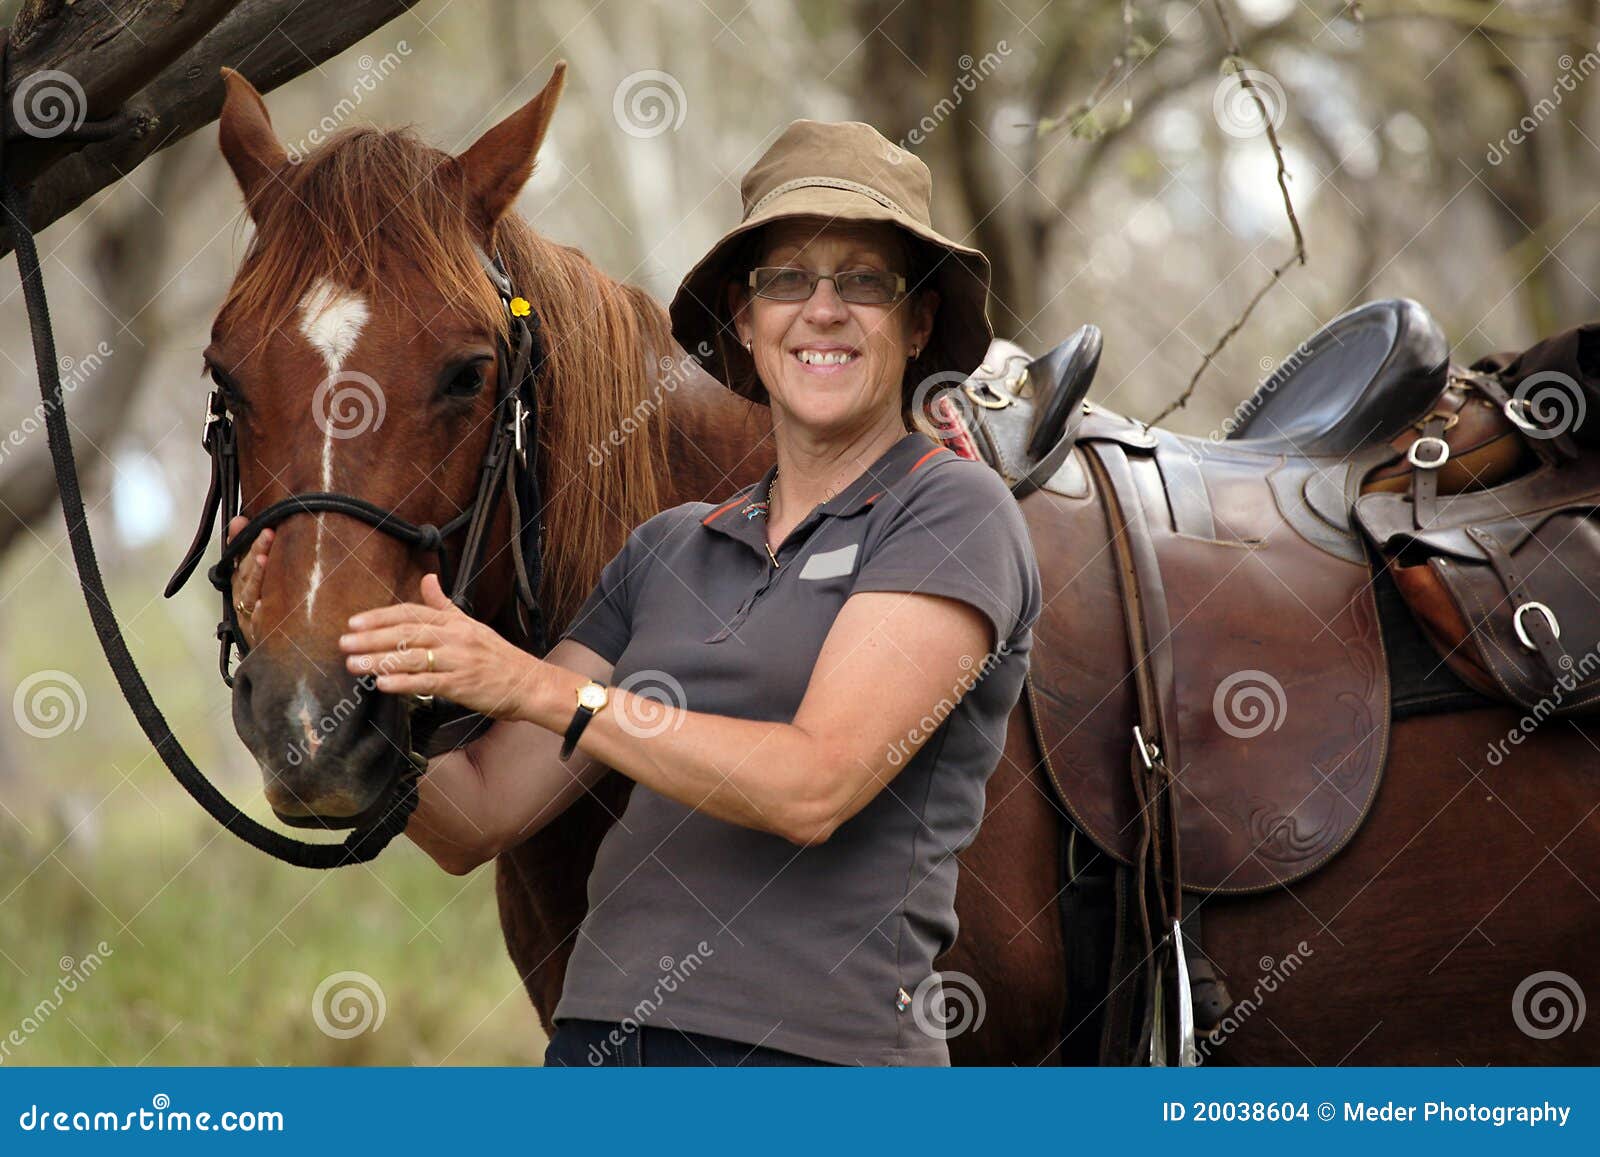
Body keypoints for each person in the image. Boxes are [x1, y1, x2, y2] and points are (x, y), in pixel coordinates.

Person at [229, 119, 1041, 1066]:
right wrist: (344, 681)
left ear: (918, 323)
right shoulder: (669, 550)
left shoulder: (951, 511)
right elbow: (478, 816)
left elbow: (814, 785)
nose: (822, 309)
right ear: (745, 319)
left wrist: (532, 686)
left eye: (864, 281)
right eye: (786, 281)